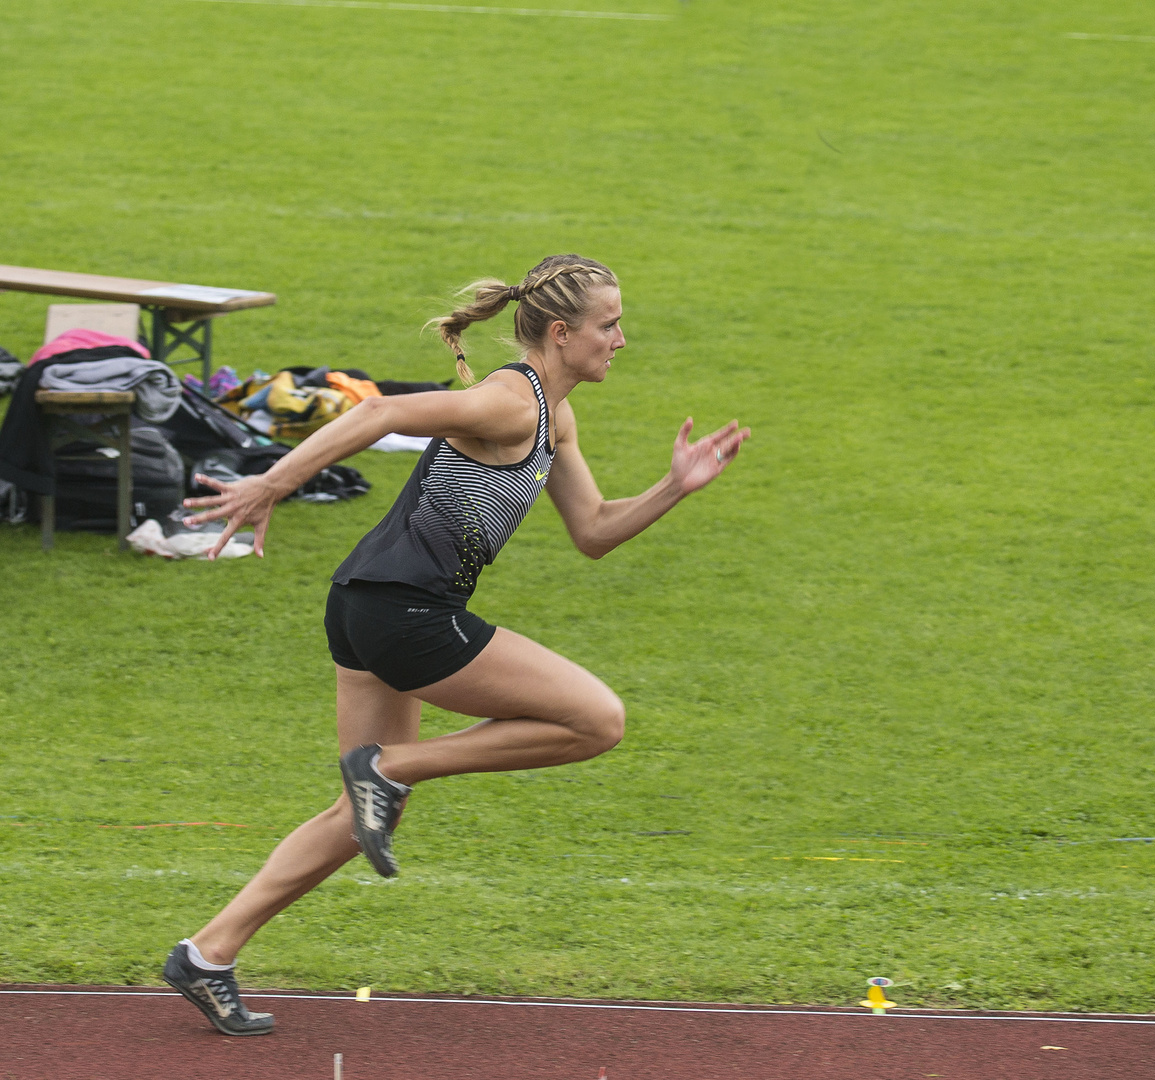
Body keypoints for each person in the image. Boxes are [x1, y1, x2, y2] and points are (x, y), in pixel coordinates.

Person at [160, 256, 749, 1036]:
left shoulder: (554, 415)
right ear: (564, 333)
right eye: (610, 326)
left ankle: (207, 954)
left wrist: (673, 486)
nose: (622, 340)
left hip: (364, 604)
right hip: (407, 613)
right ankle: (393, 769)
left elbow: (595, 532)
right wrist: (274, 482)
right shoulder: (508, 401)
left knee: (358, 815)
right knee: (597, 721)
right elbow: (376, 416)